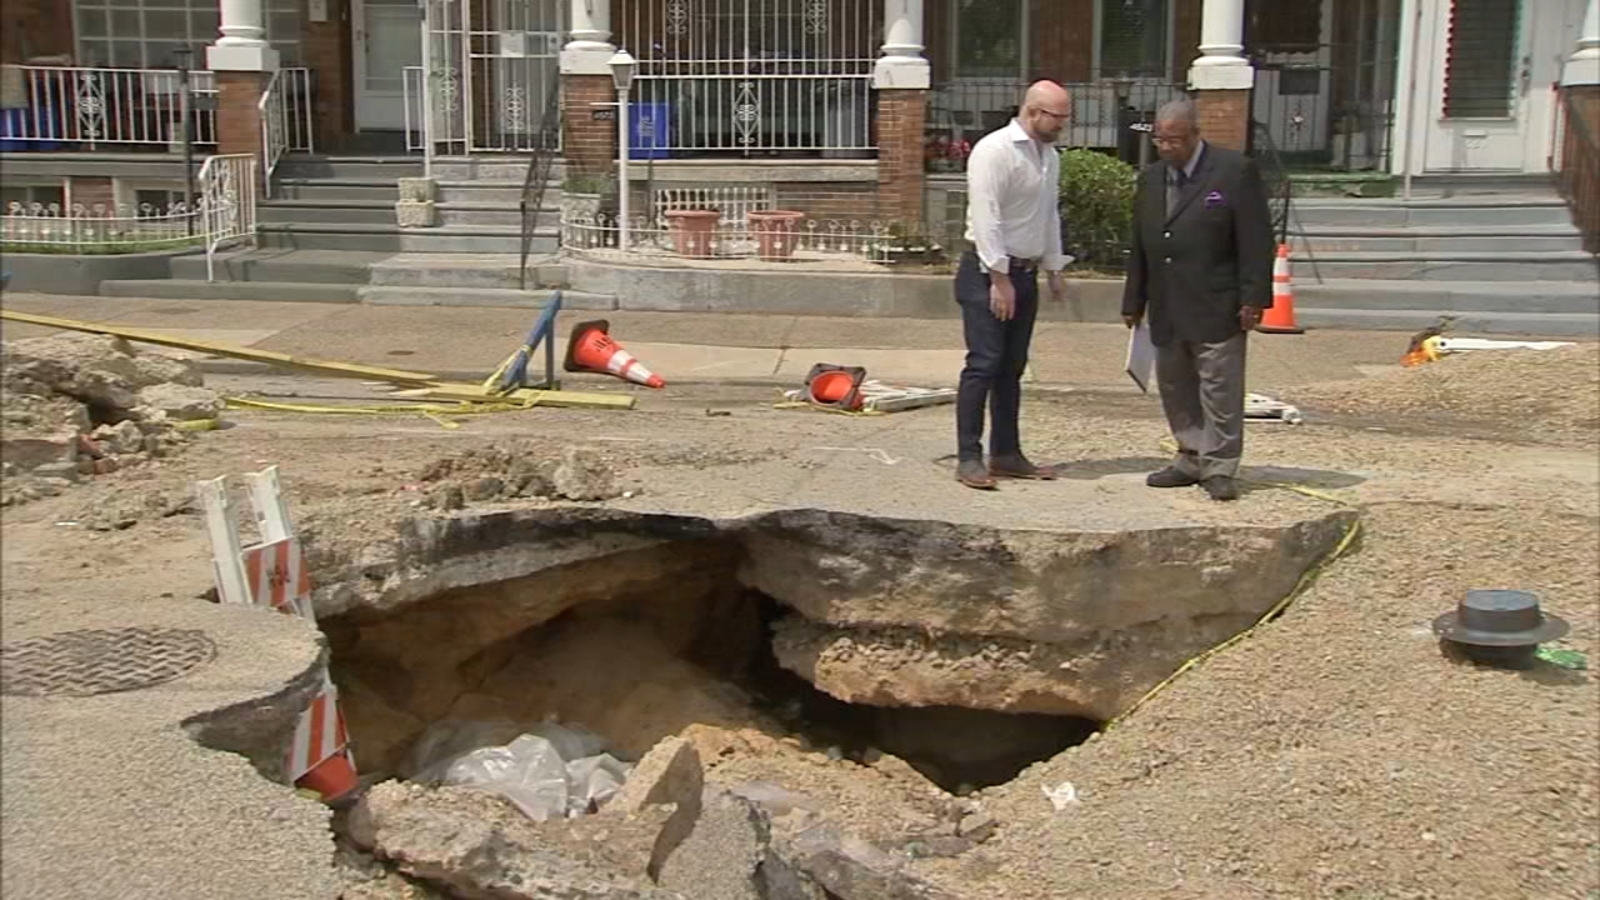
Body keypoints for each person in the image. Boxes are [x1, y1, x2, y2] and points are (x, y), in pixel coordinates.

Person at [1121, 99, 1273, 502]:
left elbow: (1257, 240)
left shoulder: (1234, 172)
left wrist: (1254, 296)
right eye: (1160, 140)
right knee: (1176, 385)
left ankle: (1220, 464)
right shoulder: (1151, 178)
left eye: (1174, 140)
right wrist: (1133, 299)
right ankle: (1190, 456)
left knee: (1220, 389)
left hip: (1217, 300)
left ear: (1194, 135)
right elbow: (1140, 243)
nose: (1166, 147)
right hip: (1167, 303)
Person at [953, 80, 1071, 491]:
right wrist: (998, 278)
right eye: (1057, 117)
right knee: (984, 363)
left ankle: (1006, 452)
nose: (1062, 125)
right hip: (987, 273)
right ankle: (969, 455)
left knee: (1011, 367)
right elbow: (987, 218)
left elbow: (1048, 213)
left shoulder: (1049, 156)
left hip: (1025, 271)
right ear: (1034, 111)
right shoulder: (994, 150)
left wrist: (1054, 266)